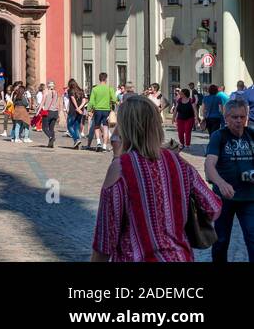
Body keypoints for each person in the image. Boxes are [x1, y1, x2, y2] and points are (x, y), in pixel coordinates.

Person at [91, 94, 220, 262]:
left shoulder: (121, 168)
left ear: (125, 128)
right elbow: (213, 208)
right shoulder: (179, 163)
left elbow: (105, 239)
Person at [204, 95, 254, 262]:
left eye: (242, 117)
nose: (239, 121)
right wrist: (221, 182)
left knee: (252, 238)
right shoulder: (219, 136)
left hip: (249, 197)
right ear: (226, 118)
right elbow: (209, 165)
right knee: (220, 240)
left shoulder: (251, 135)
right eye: (234, 117)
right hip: (223, 197)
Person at [87, 72, 116, 152]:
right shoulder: (110, 88)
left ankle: (98, 142)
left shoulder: (95, 89)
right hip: (106, 110)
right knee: (106, 127)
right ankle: (104, 146)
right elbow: (114, 99)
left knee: (96, 126)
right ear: (106, 79)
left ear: (99, 79)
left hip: (97, 110)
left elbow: (91, 101)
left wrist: (89, 110)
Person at [67, 79, 87, 149]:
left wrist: (77, 108)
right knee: (76, 127)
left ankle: (76, 139)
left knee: (69, 126)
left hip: (73, 111)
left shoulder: (70, 90)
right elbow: (84, 101)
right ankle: (76, 144)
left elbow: (73, 99)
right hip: (80, 111)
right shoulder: (81, 90)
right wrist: (80, 108)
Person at [39, 81, 58, 149]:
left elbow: (42, 103)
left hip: (48, 112)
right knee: (51, 128)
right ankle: (51, 144)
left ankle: (51, 137)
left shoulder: (46, 92)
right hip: (55, 112)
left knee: (44, 128)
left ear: (48, 86)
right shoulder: (56, 92)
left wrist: (38, 112)